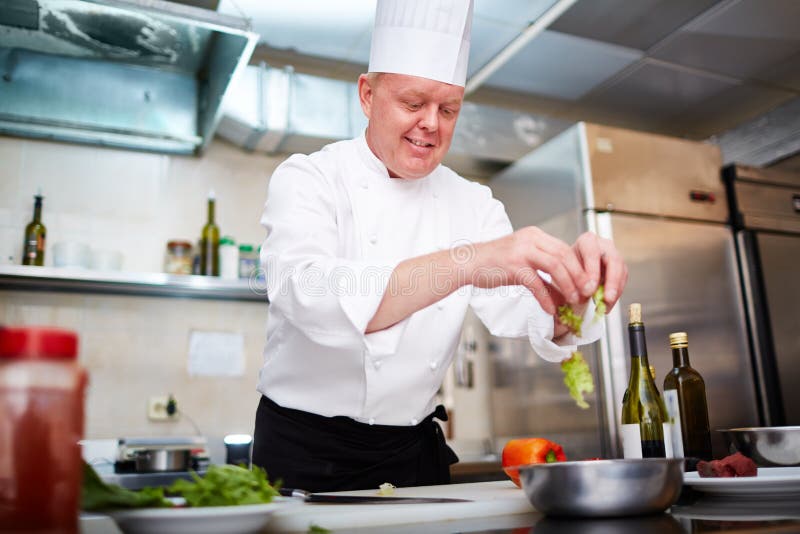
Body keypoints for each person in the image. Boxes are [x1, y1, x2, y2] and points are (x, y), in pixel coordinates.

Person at [252, 0, 628, 492]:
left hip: (412, 456)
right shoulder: (310, 179)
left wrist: (576, 290)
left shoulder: (472, 203)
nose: (432, 123)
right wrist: (471, 261)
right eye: (413, 103)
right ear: (367, 94)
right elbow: (310, 295)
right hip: (301, 452)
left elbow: (528, 311)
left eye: (448, 108)